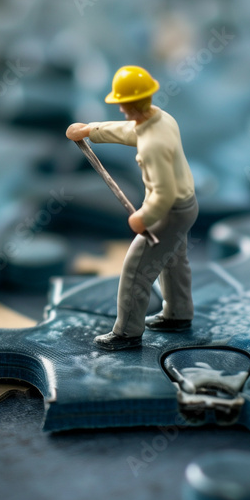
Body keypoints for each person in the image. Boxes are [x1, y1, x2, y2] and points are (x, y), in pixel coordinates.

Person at [65, 65, 197, 351]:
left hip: (168, 210)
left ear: (132, 103)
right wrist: (91, 130)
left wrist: (143, 217)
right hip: (186, 206)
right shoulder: (162, 118)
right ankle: (178, 313)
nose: (121, 109)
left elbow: (163, 192)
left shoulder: (152, 145)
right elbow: (129, 131)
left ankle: (127, 333)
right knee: (174, 262)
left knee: (137, 269)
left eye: (122, 104)